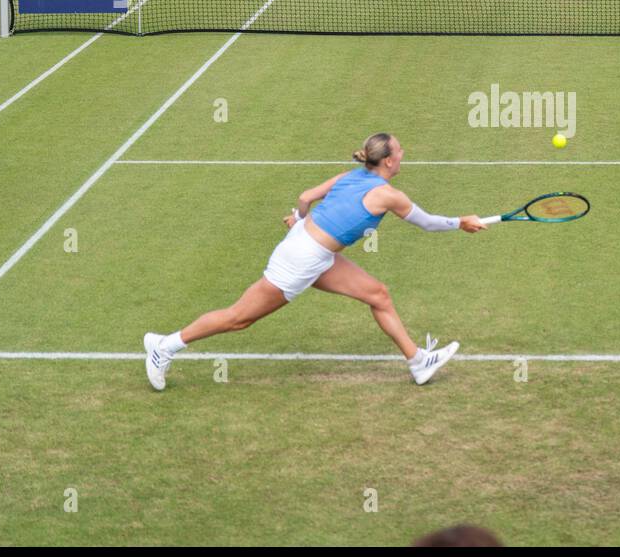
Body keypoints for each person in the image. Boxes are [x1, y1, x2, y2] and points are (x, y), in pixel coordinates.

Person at [144, 133, 486, 390]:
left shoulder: (349, 176)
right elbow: (426, 222)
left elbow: (306, 197)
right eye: (399, 151)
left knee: (377, 294)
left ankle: (417, 362)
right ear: (389, 162)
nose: (403, 154)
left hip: (313, 250)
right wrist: (461, 222)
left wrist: (298, 222)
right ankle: (165, 346)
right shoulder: (388, 196)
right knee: (239, 319)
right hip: (301, 260)